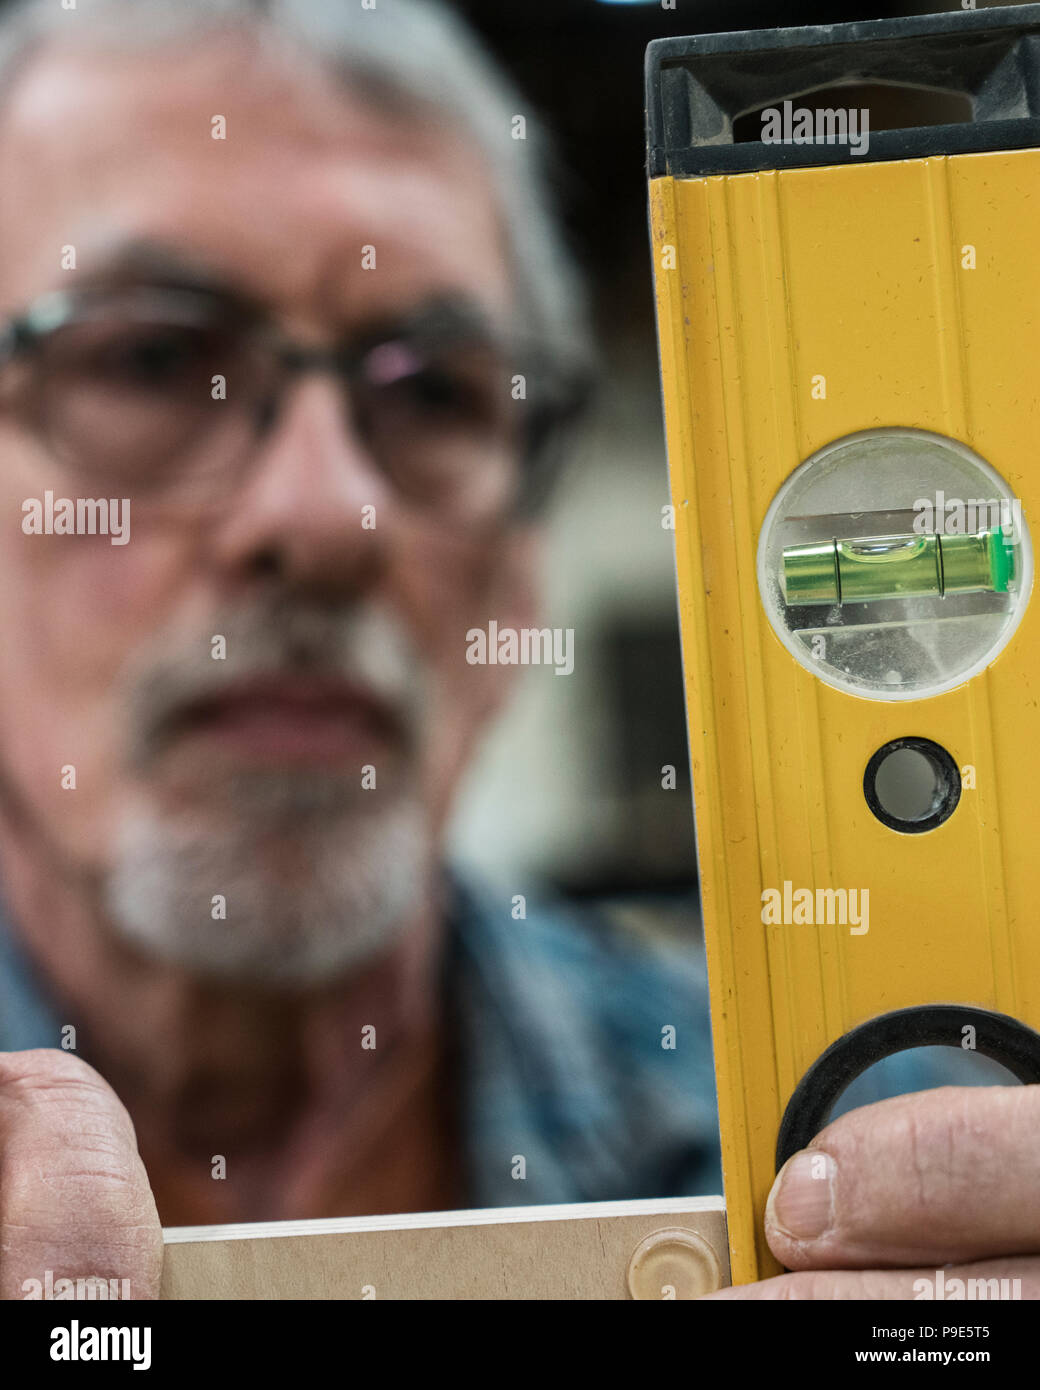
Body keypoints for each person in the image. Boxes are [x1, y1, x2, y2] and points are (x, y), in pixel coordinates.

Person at [0, 0, 1035, 1304]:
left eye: (436, 391)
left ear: (521, 558)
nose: (326, 519)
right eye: (153, 359)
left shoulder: (872, 1148)